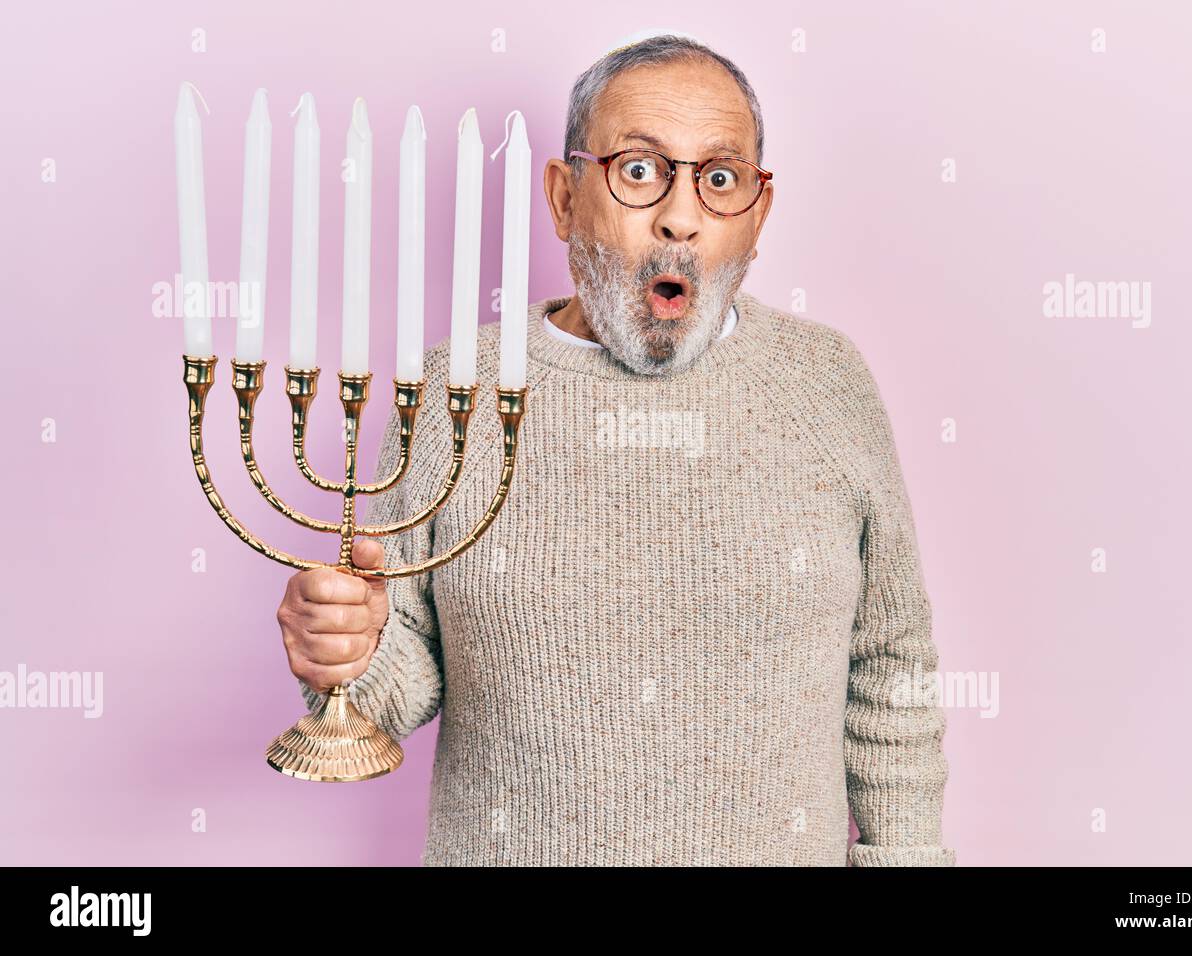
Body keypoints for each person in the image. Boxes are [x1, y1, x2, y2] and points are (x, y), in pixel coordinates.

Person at [277, 30, 955, 866]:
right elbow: (398, 678)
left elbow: (892, 669)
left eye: (718, 179)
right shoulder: (457, 389)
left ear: (759, 212)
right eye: (639, 171)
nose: (680, 216)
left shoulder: (826, 381)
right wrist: (344, 654)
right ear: (564, 197)